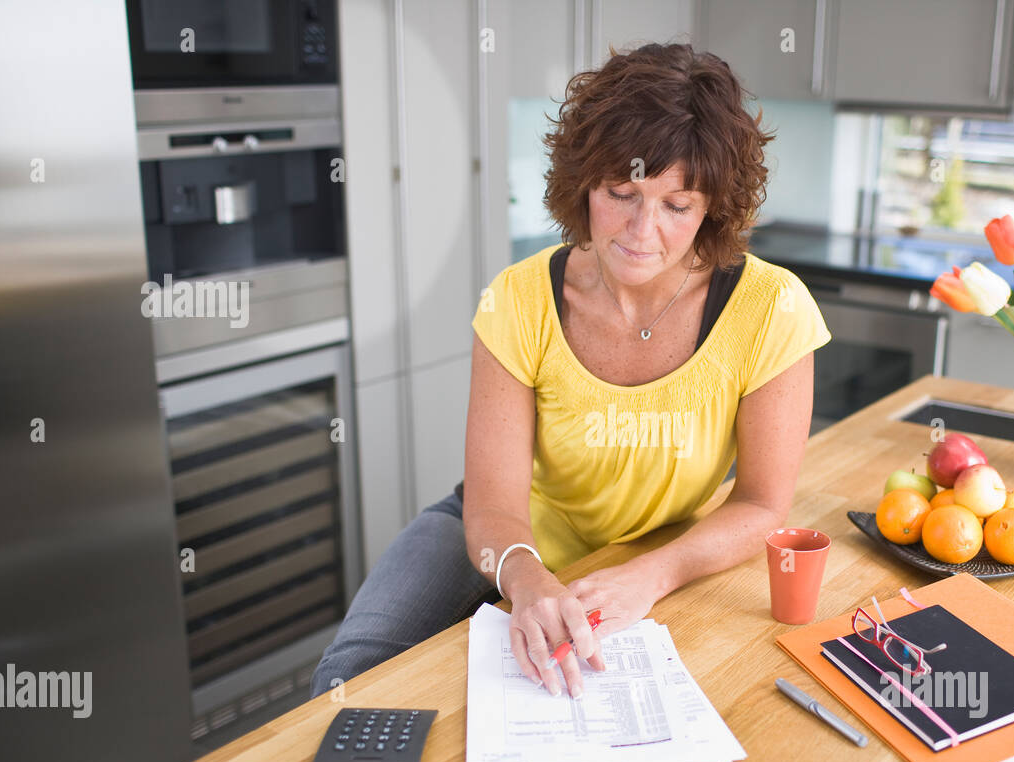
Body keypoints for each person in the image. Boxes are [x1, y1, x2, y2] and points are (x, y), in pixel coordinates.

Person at [311, 42, 830, 701]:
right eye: (623, 193)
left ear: (713, 209)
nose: (644, 231)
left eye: (678, 205)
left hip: (661, 545)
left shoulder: (771, 307)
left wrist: (653, 575)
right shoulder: (519, 298)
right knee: (346, 679)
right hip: (505, 534)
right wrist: (528, 584)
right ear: (584, 182)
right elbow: (494, 503)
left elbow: (762, 503)